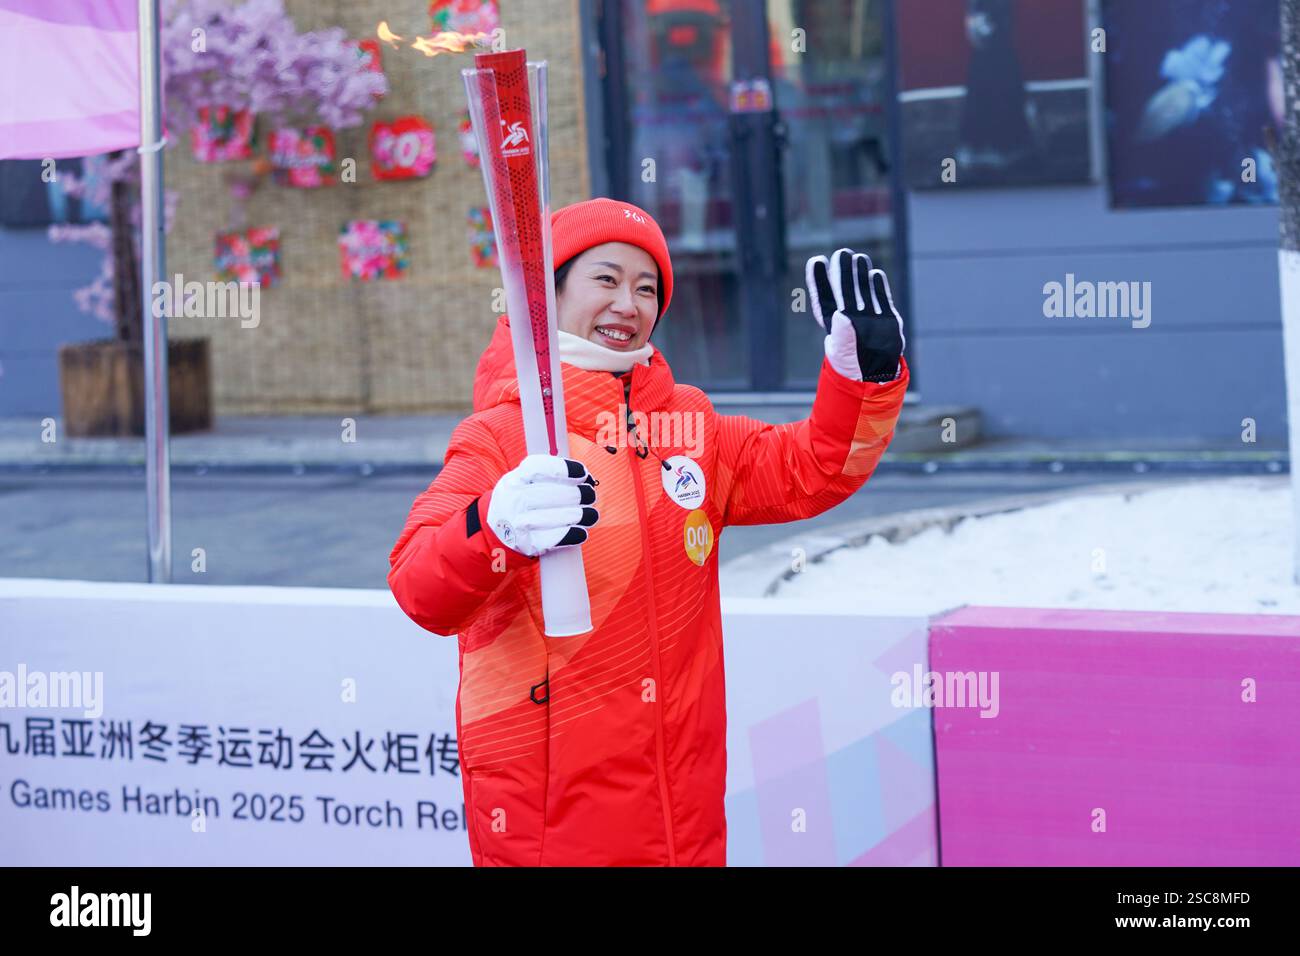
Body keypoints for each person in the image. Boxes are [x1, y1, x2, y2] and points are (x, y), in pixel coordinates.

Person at [388, 197, 909, 866]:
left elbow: (812, 469)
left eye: (646, 288)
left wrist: (860, 379)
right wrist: (492, 527)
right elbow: (419, 590)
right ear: (547, 293)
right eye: (605, 279)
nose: (627, 304)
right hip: (556, 826)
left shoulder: (687, 426)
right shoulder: (502, 437)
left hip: (684, 814)